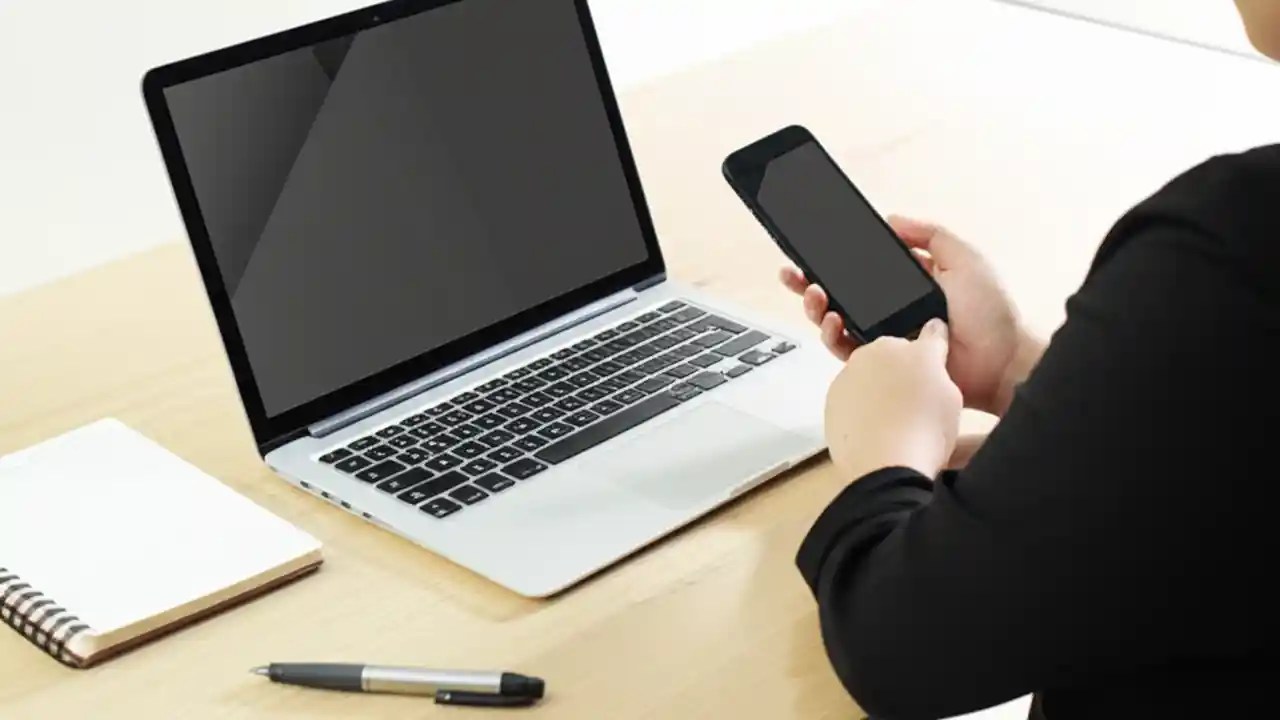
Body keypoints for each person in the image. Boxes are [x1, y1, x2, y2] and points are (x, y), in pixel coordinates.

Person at [783, 3, 1280, 719]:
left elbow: (909, 650)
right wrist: (1015, 367)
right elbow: (1233, 457)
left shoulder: (1238, 244)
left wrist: (882, 459)